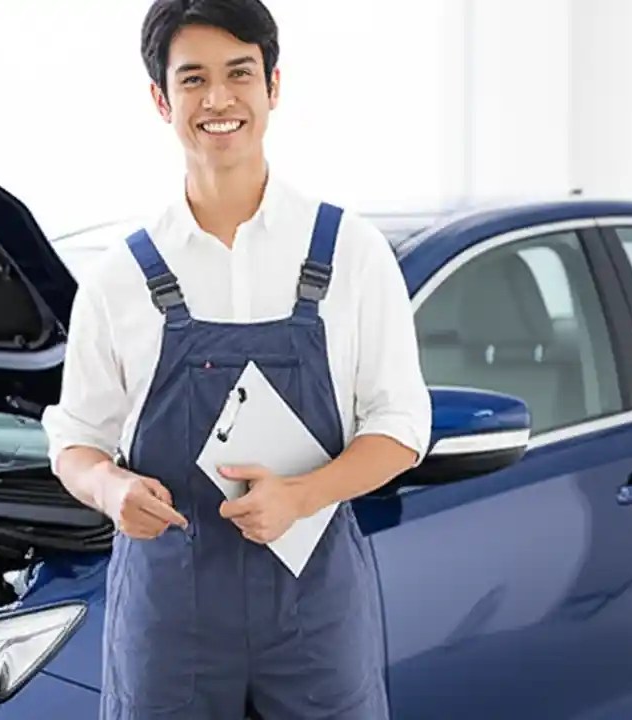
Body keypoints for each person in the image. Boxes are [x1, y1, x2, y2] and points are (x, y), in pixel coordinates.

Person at [40, 1, 432, 718]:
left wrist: (301, 496)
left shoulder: (351, 253)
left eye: (239, 74)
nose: (218, 99)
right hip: (170, 621)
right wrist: (109, 489)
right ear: (162, 100)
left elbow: (401, 427)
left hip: (314, 614)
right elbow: (75, 441)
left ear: (273, 86)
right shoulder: (118, 278)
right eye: (193, 79)